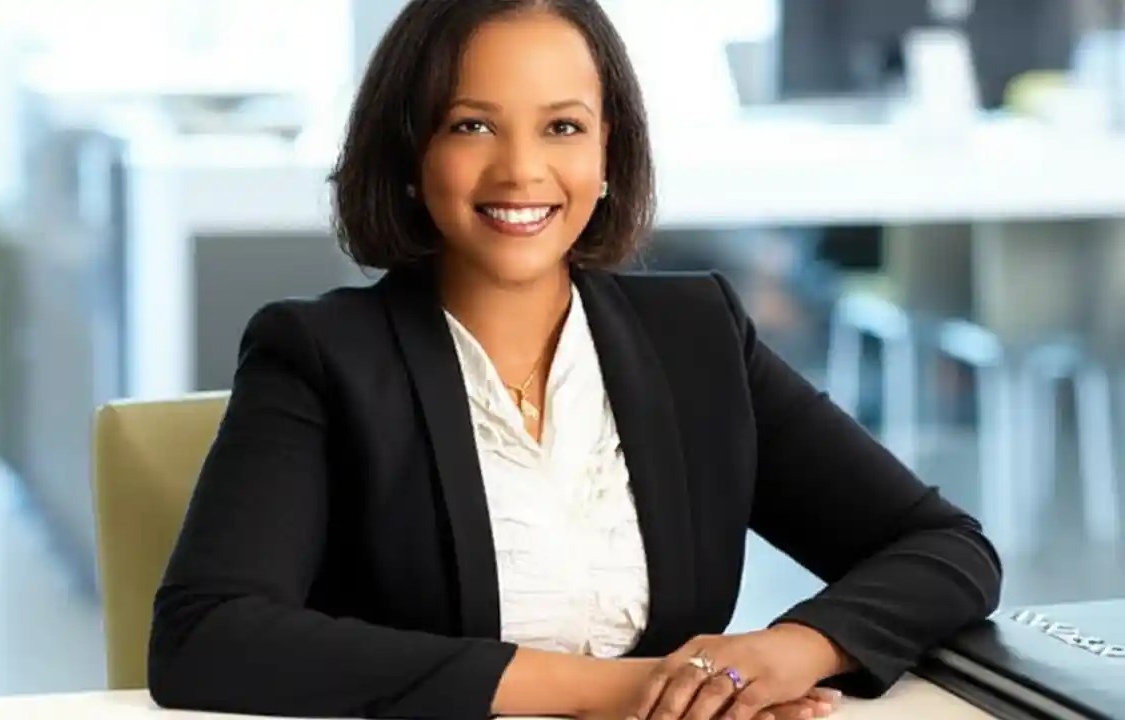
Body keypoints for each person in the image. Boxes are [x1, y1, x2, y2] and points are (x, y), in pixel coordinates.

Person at [147, 1, 1003, 718]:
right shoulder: (318, 355)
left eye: (563, 127)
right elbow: (207, 636)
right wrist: (623, 690)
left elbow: (946, 549)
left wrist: (786, 653)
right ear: (411, 154)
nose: (522, 170)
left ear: (607, 155)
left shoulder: (696, 336)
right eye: (471, 124)